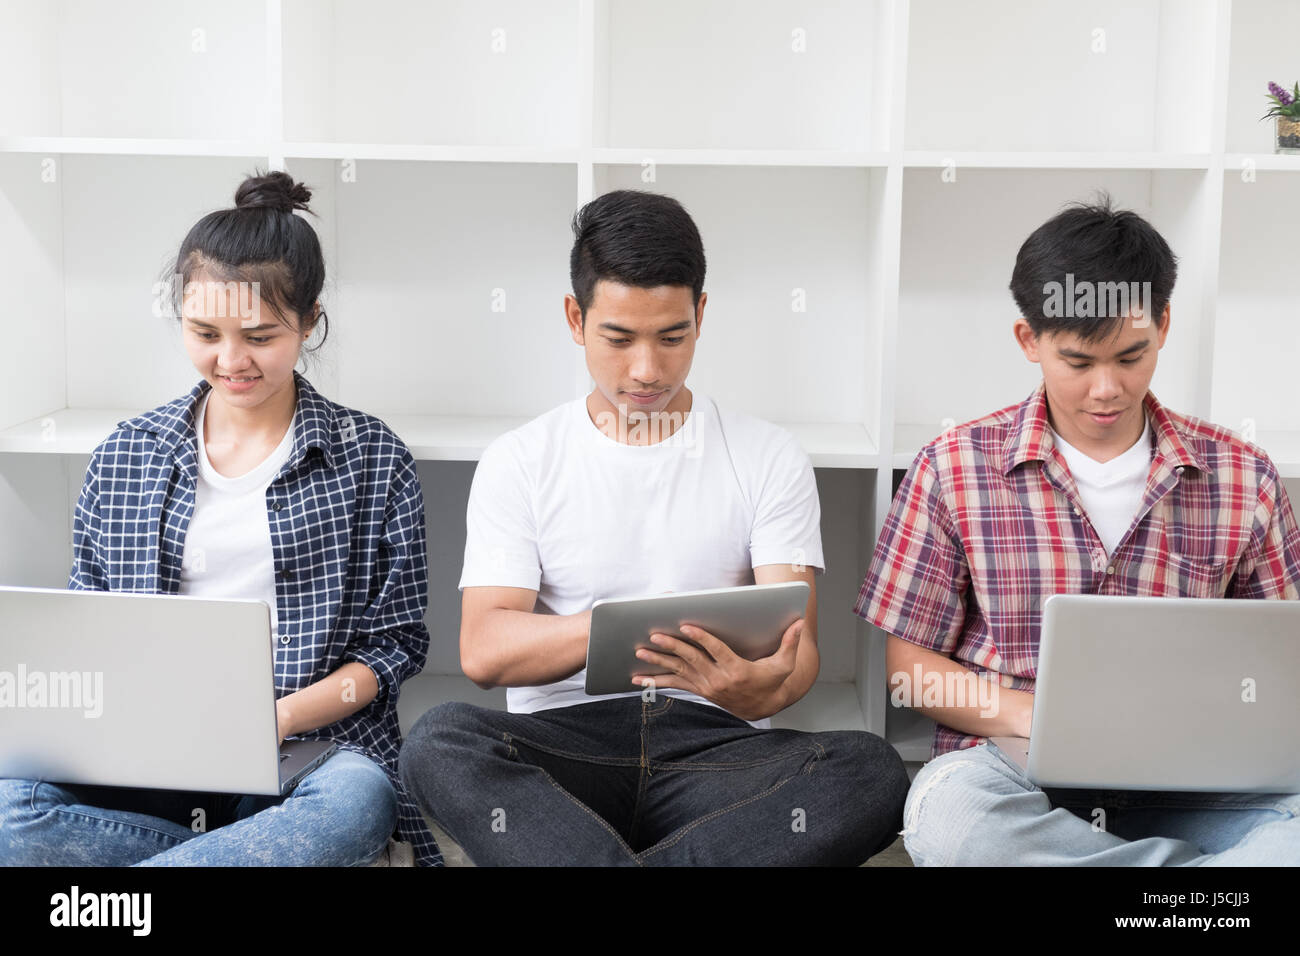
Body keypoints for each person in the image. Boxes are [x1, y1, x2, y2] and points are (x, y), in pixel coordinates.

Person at [399, 189, 908, 866]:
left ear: (701, 314)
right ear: (575, 319)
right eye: (619, 337)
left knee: (871, 768)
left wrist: (760, 689)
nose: (647, 369)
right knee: (440, 742)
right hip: (563, 748)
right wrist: (617, 628)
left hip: (720, 750)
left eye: (673, 337)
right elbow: (486, 653)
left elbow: (798, 655)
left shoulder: (766, 455)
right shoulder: (520, 460)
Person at [0, 171, 439, 867]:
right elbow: (89, 630)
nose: (231, 361)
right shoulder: (126, 454)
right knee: (9, 813)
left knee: (355, 809)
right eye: (205, 332)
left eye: (260, 336)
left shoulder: (371, 457)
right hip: (152, 742)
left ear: (309, 321)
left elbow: (393, 651)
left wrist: (280, 717)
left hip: (311, 745)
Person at [854, 195, 1300, 865]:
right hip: (1011, 767)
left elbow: (1279, 667)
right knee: (954, 825)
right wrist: (1029, 717)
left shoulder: (1244, 476)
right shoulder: (953, 467)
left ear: (1164, 325)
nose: (1106, 390)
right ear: (1028, 340)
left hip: (1194, 778)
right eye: (1079, 362)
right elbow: (908, 675)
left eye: (1131, 356)